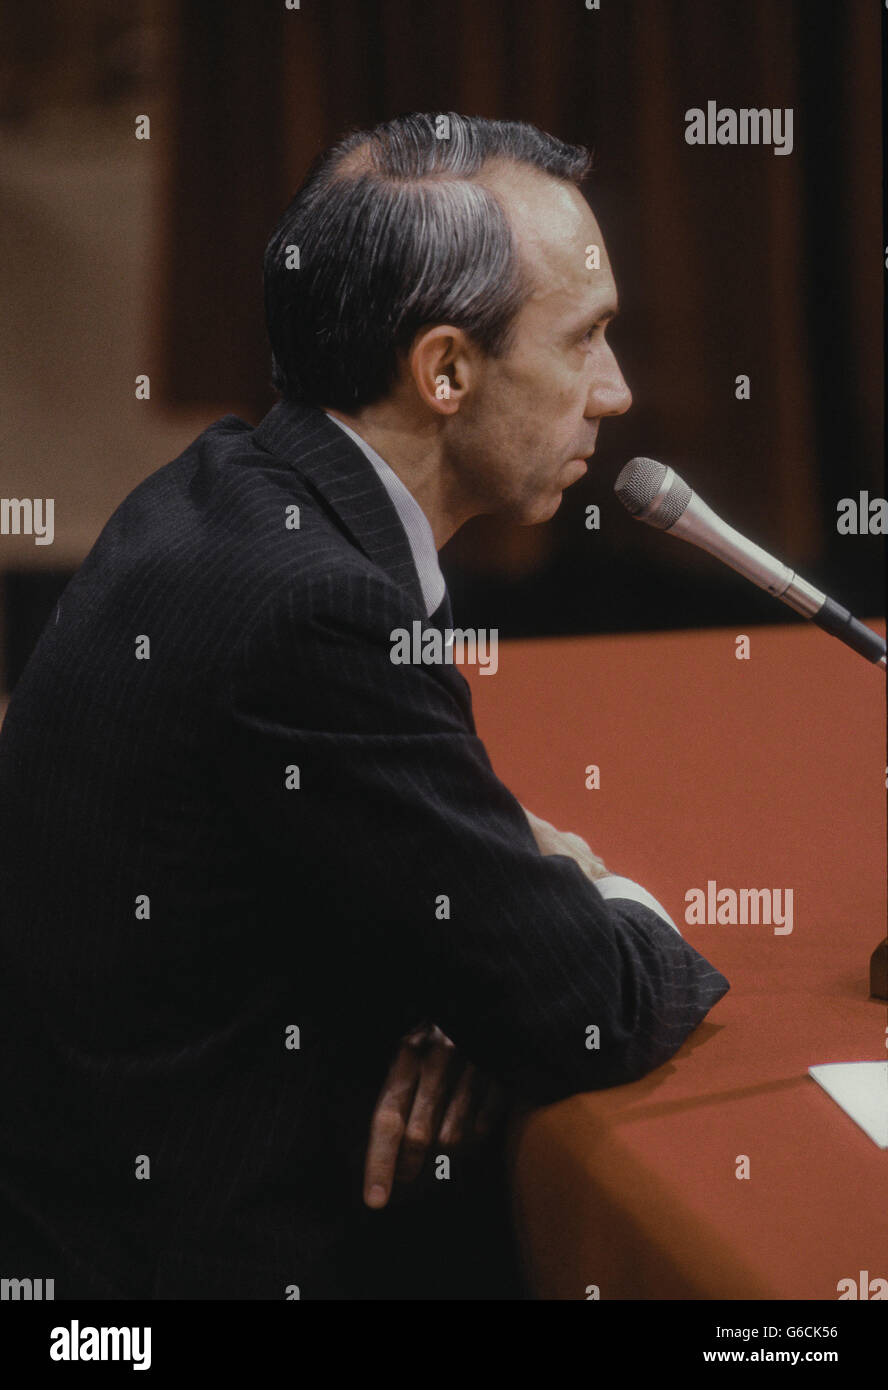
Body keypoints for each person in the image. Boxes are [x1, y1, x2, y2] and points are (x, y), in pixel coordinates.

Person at [0, 113, 728, 1301]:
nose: (616, 390)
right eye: (586, 340)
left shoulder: (213, 492)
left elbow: (361, 890)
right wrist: (595, 894)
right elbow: (590, 1004)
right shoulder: (323, 615)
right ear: (446, 370)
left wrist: (459, 973)